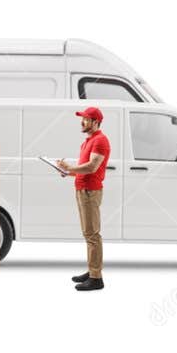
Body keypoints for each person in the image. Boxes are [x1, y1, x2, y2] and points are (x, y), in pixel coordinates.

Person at [56, 106, 111, 291]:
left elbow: (91, 168)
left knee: (93, 234)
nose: (82, 121)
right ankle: (92, 270)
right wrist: (67, 172)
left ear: (96, 122)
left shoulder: (100, 141)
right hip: (82, 189)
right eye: (82, 118)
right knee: (88, 234)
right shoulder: (87, 141)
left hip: (90, 191)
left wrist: (70, 168)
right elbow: (82, 170)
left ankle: (96, 278)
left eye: (86, 119)